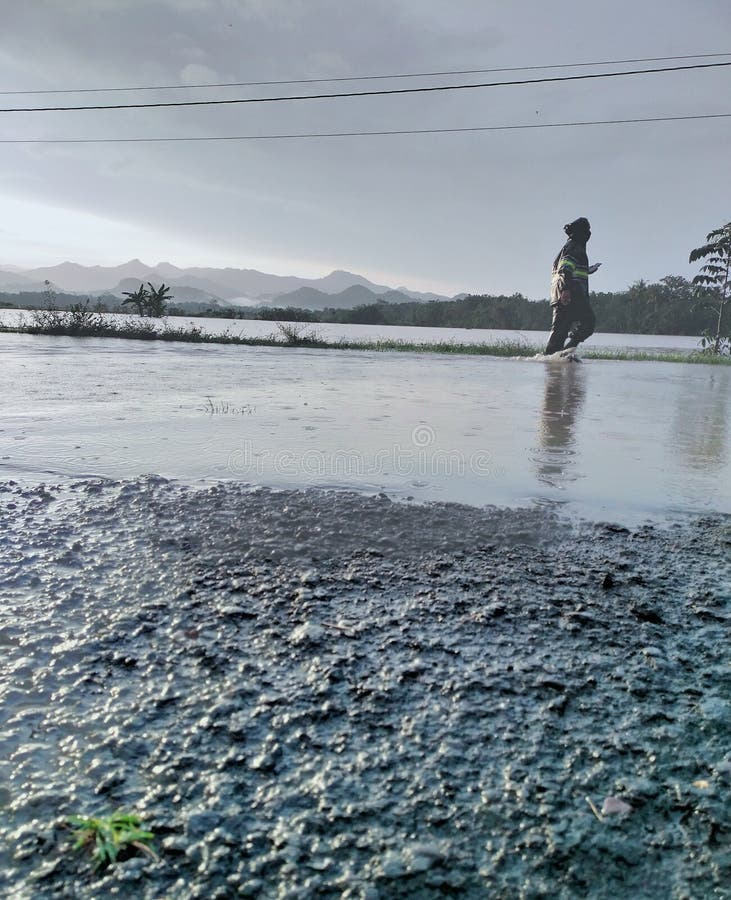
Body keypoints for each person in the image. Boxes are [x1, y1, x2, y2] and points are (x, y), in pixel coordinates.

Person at [544, 217, 601, 355]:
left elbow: (571, 268)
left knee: (561, 332)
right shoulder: (574, 247)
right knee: (587, 322)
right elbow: (565, 269)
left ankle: (559, 357)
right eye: (587, 230)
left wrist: (588, 270)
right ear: (582, 233)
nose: (589, 234)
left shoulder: (571, 247)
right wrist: (566, 290)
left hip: (566, 295)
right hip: (570, 295)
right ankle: (564, 353)